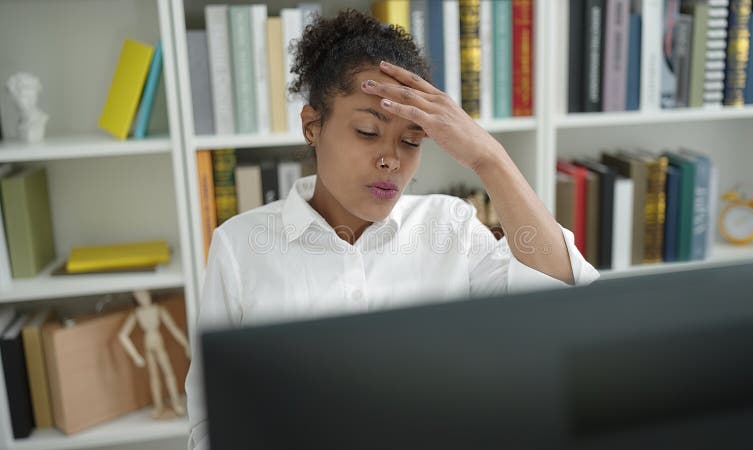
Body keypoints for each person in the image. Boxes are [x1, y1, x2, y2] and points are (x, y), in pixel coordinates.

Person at [185, 9, 598, 449]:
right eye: (368, 131)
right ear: (312, 125)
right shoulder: (240, 247)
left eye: (411, 140)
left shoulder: (449, 227)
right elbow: (210, 426)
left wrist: (488, 158)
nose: (391, 160)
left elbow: (566, 302)